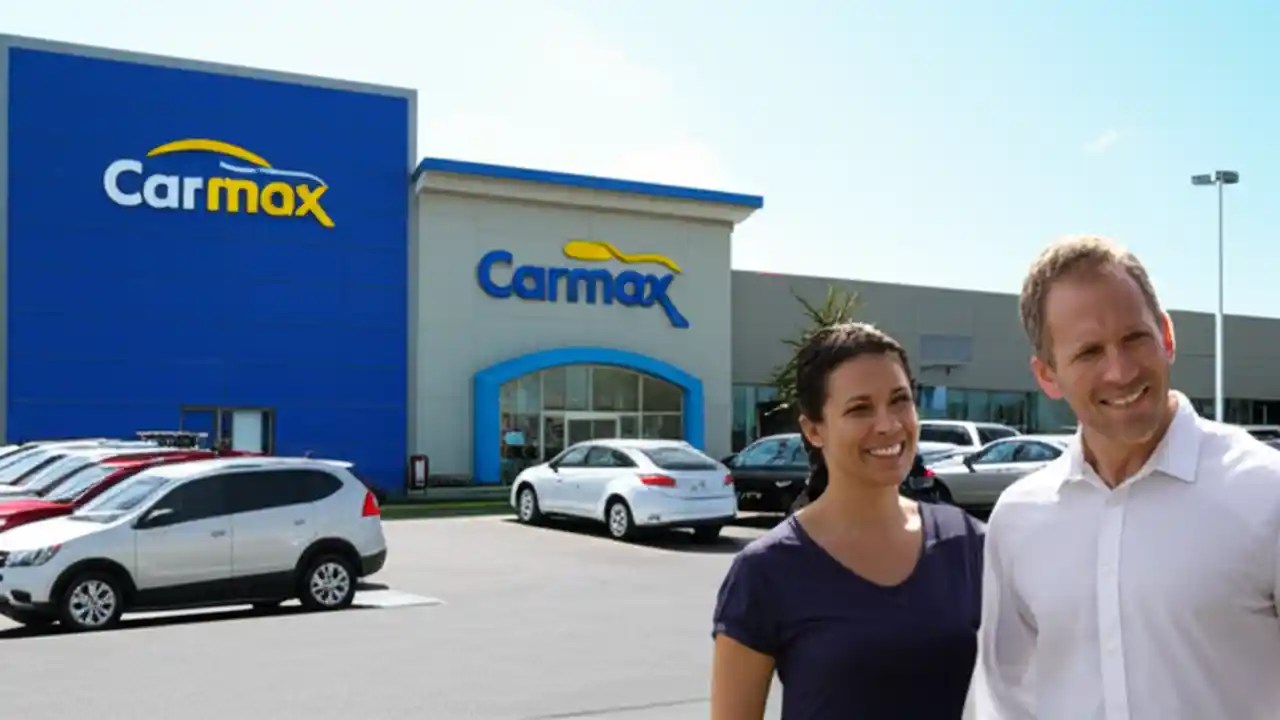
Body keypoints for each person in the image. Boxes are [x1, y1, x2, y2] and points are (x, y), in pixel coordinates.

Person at [972, 235, 1280, 719]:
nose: (1120, 370)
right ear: (1047, 375)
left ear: (1168, 337)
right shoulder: (1018, 520)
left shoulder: (1266, 492)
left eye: (1135, 338)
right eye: (1089, 352)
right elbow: (1002, 702)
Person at [709, 322, 986, 719]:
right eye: (860, 408)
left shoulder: (965, 543)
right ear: (813, 429)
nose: (888, 424)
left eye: (900, 401)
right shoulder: (767, 570)